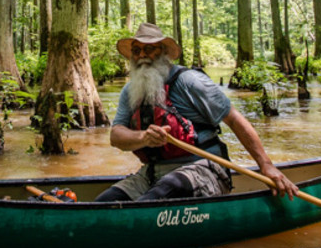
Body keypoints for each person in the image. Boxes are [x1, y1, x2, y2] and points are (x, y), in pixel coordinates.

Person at [96, 23, 300, 202]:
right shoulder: (130, 92)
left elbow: (235, 120)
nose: (142, 56)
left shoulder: (190, 81)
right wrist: (143, 137)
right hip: (152, 174)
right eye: (137, 50)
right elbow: (116, 136)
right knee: (105, 202)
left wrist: (266, 166)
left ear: (164, 53)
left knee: (160, 194)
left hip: (203, 169)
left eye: (149, 49)